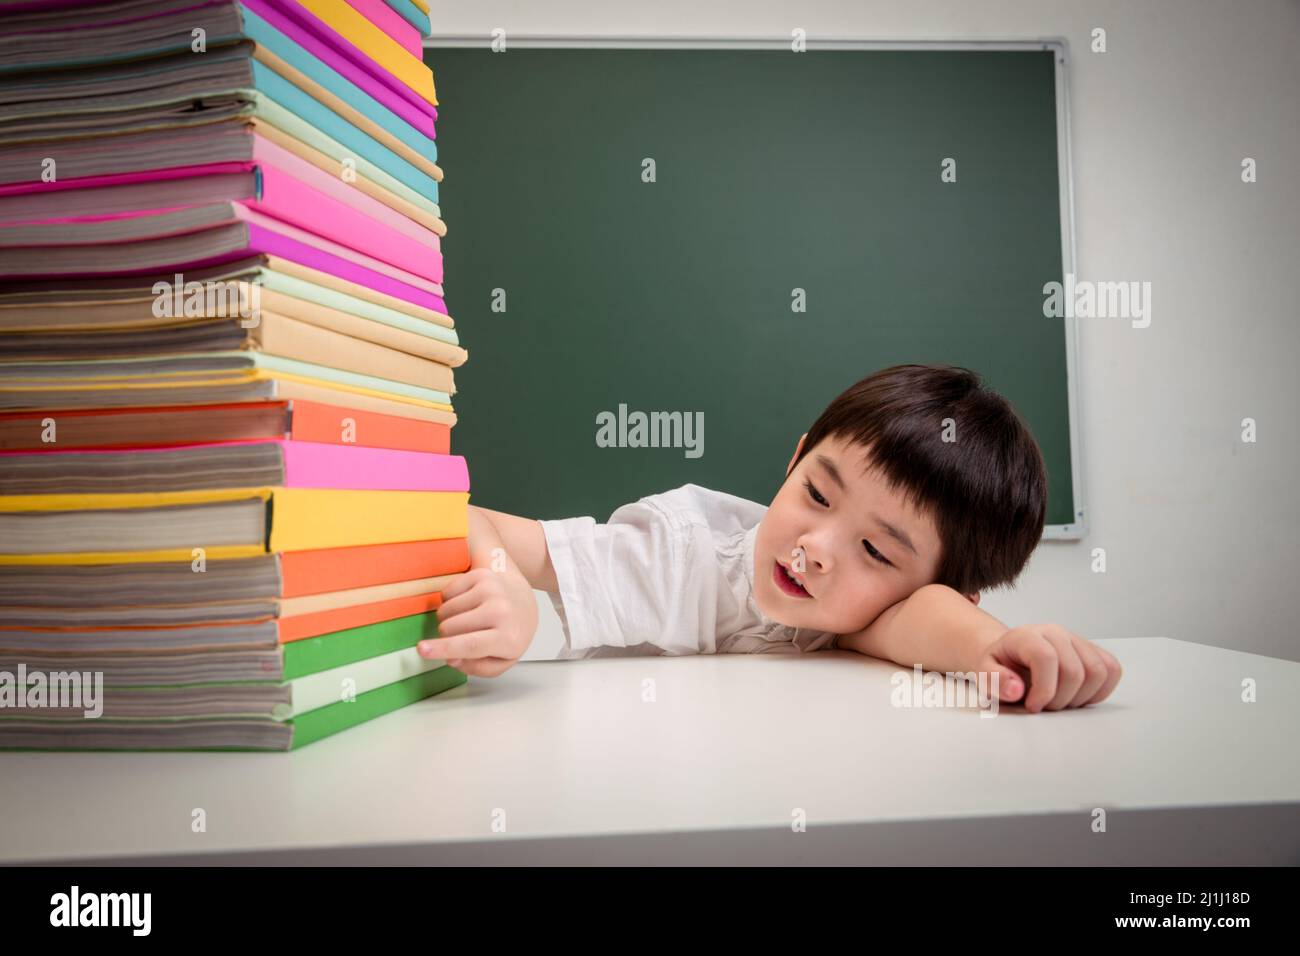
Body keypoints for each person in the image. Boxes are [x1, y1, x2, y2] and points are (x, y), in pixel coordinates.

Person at [415, 363, 1122, 713]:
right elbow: (474, 520)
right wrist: (510, 581)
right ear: (793, 460)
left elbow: (922, 621)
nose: (814, 546)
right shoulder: (679, 553)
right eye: (815, 492)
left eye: (875, 552)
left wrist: (994, 650)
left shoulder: (858, 619)